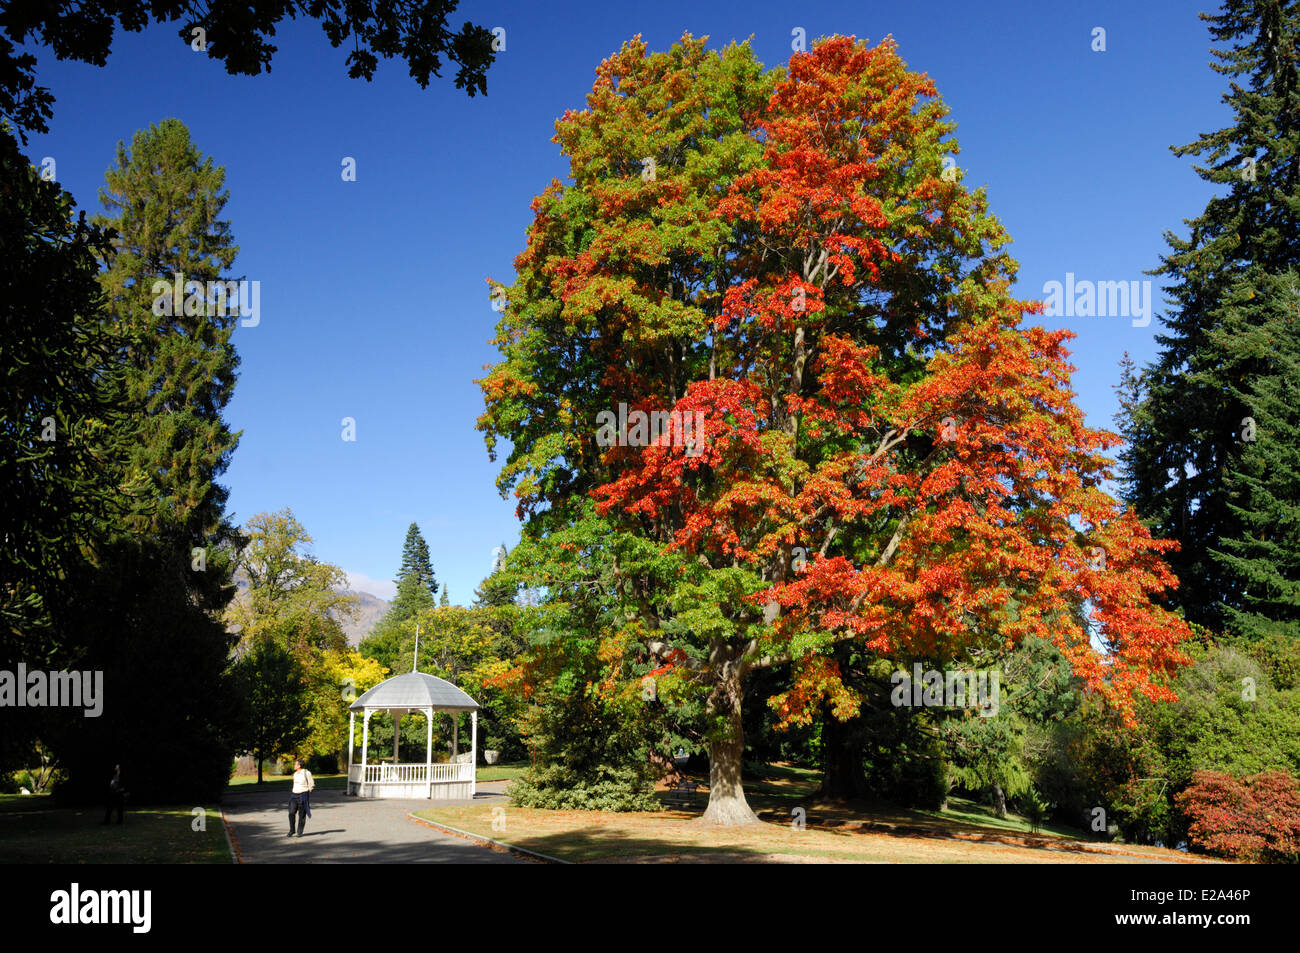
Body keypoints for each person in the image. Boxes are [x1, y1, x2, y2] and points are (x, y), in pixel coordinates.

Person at [287, 758, 314, 837]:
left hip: (303, 795)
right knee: (291, 813)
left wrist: (308, 791)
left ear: (299, 765)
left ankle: (299, 832)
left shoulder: (307, 773)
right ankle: (292, 830)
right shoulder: (295, 774)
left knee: (302, 815)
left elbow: (311, 783)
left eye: (295, 764)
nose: (294, 765)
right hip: (294, 795)